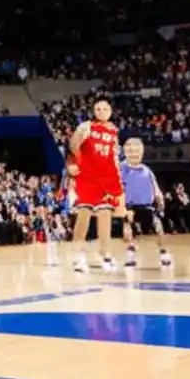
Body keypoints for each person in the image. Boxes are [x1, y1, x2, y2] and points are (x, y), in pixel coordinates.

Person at [68, 99, 122, 273]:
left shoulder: (113, 130)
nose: (101, 111)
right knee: (84, 215)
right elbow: (73, 147)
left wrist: (118, 179)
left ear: (111, 111)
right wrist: (77, 139)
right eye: (98, 108)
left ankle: (105, 254)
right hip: (87, 177)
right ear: (93, 111)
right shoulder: (86, 126)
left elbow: (114, 156)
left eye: (105, 108)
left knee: (105, 216)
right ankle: (77, 256)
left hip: (106, 179)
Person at [119, 138, 172, 268]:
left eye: (137, 151)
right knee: (129, 232)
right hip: (130, 207)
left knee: (158, 229)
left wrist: (159, 198)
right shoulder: (121, 169)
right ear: (125, 152)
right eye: (130, 151)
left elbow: (155, 187)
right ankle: (130, 257)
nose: (134, 154)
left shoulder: (147, 171)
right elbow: (116, 187)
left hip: (147, 206)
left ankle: (164, 255)